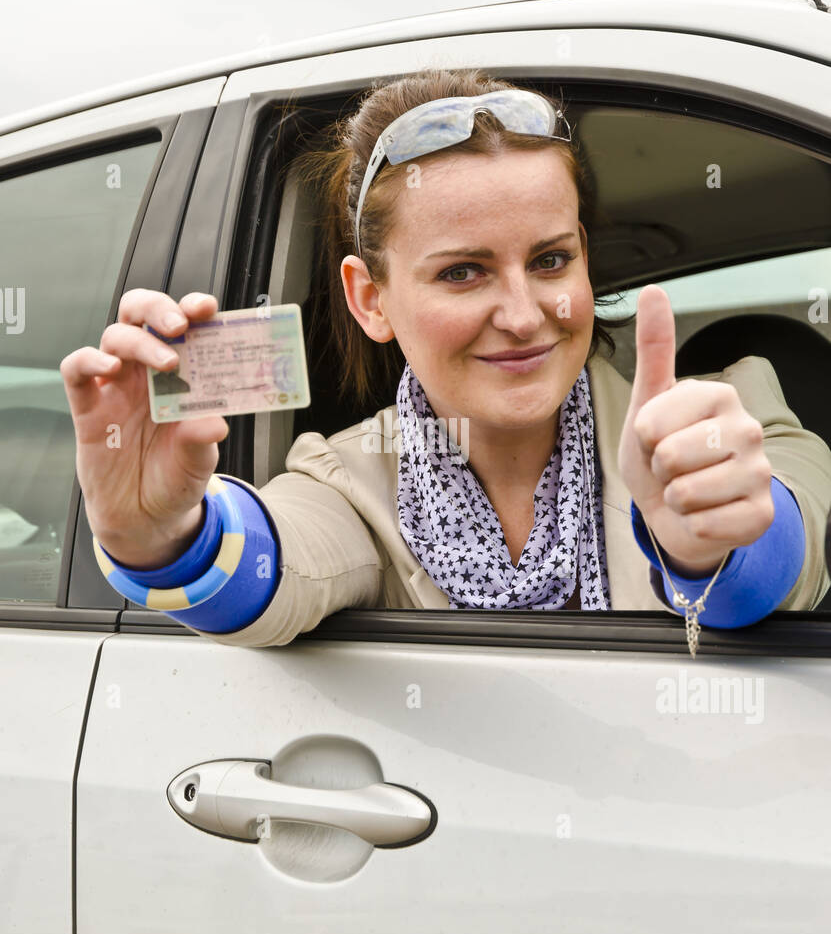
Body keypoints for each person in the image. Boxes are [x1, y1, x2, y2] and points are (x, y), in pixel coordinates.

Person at [59, 68, 831, 649]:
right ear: (370, 300)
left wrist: (709, 545)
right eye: (462, 272)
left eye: (551, 260)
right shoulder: (351, 477)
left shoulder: (729, 416)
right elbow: (273, 570)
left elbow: (790, 563)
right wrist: (161, 540)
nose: (524, 314)